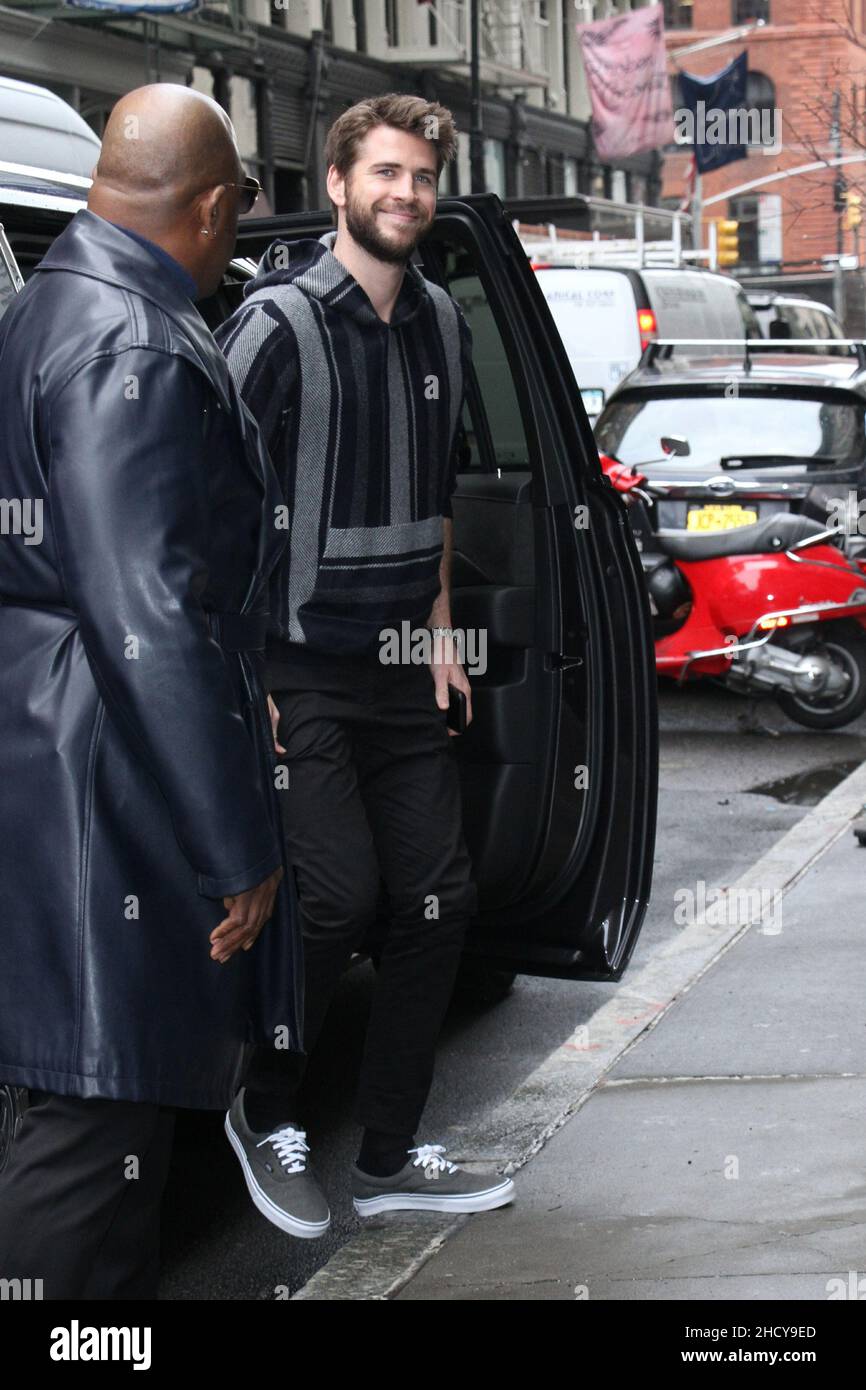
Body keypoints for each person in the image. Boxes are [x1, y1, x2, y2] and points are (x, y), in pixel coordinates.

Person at [0, 84, 302, 1299]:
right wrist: (237, 845)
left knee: (70, 1110)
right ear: (216, 206)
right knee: (94, 1130)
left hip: (52, 746)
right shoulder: (131, 339)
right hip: (102, 781)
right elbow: (149, 617)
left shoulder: (46, 303)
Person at [218, 93, 515, 1236]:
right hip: (293, 668)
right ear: (336, 184)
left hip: (397, 668)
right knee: (336, 894)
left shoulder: (439, 320)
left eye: (421, 177)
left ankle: (389, 1155)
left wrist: (437, 628)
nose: (406, 192)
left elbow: (434, 498)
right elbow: (203, 514)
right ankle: (263, 1104)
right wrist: (240, 680)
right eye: (385, 172)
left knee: (439, 899)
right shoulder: (274, 326)